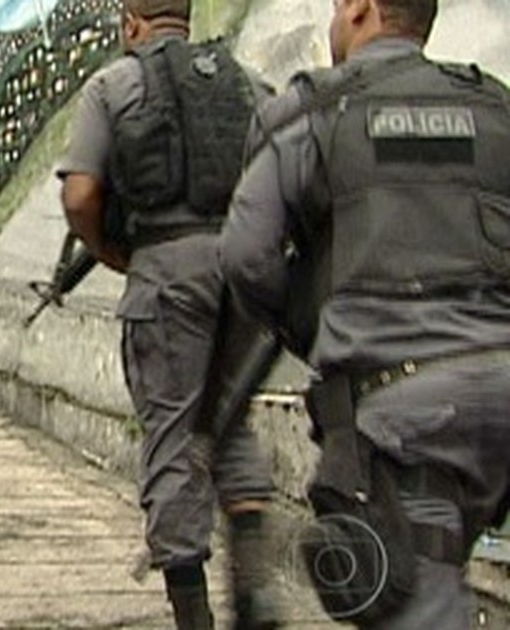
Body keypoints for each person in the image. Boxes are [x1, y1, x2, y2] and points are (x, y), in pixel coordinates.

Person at [222, 0, 510, 626]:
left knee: (418, 598)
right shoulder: (495, 107)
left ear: (360, 9)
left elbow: (246, 255)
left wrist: (314, 328)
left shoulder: (314, 111)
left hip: (409, 416)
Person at [57, 0, 281, 627]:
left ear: (131, 23)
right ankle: (255, 589)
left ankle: (194, 616)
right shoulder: (246, 81)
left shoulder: (115, 84)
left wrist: (108, 251)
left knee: (172, 438)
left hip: (166, 277)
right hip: (243, 274)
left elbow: (79, 194)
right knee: (230, 423)